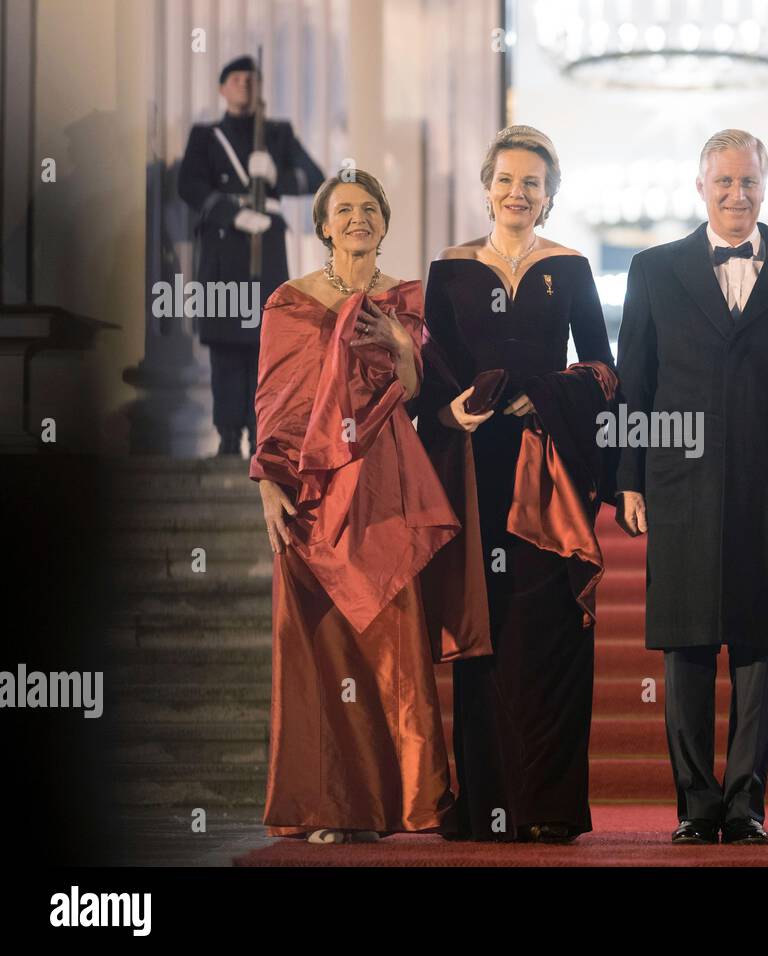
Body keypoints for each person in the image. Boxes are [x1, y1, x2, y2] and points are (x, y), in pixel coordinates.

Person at [251, 169, 489, 844]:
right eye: (345, 209)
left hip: (386, 489)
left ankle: (399, 802)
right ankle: (334, 807)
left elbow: (413, 392)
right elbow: (272, 402)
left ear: (384, 223)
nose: (358, 218)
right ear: (324, 224)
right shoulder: (289, 301)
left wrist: (395, 346)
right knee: (323, 653)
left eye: (369, 209)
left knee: (390, 650)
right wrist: (267, 485)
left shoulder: (407, 297)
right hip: (306, 498)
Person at [615, 129, 768, 846]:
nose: (737, 195)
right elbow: (637, 384)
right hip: (678, 482)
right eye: (724, 183)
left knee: (758, 646)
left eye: (749, 182)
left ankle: (746, 803)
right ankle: (695, 804)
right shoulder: (653, 269)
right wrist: (630, 478)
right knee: (684, 646)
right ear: (701, 186)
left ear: (766, 185)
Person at [410, 125, 617, 843]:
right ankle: (486, 805)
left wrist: (550, 395)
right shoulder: (450, 269)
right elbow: (430, 366)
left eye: (532, 183)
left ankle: (549, 808)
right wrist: (451, 407)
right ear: (486, 184)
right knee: (486, 628)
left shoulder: (573, 267)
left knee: (550, 630)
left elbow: (603, 369)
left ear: (550, 194)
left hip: (547, 469)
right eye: (505, 179)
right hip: (473, 468)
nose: (517, 193)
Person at [180, 54, 325, 457]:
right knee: (226, 347)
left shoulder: (277, 134)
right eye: (236, 79)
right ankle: (228, 436)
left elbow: (314, 178)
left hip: (267, 252)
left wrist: (277, 175)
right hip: (225, 252)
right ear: (223, 88)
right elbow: (188, 185)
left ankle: (262, 436)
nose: (244, 84)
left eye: (251, 79)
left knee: (266, 346)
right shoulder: (206, 136)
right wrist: (232, 213)